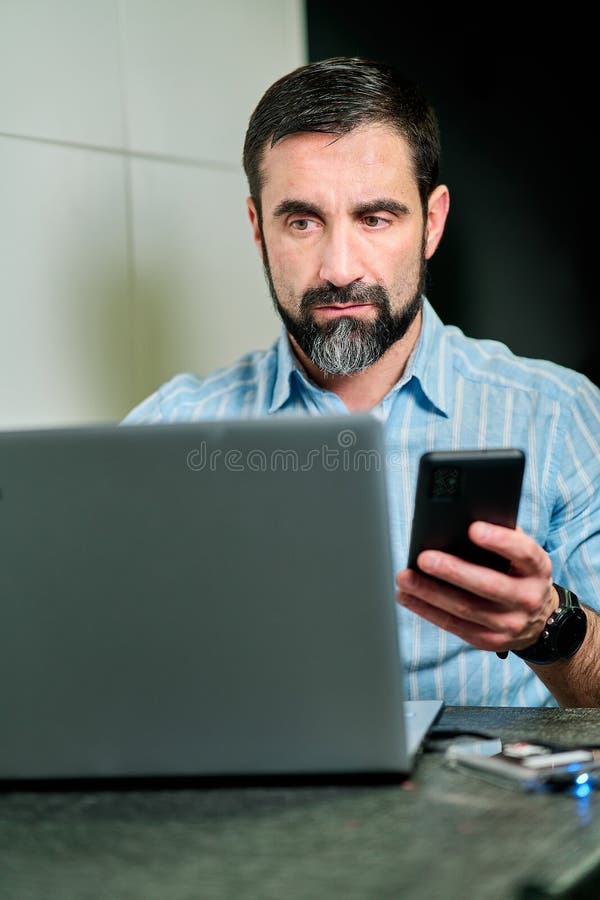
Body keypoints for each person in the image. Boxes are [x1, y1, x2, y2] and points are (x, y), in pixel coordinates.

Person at [123, 56, 600, 708]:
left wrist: (549, 627)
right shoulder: (169, 432)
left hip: (492, 806)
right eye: (302, 221)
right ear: (259, 229)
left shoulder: (559, 414)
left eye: (375, 218)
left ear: (431, 223)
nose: (340, 267)